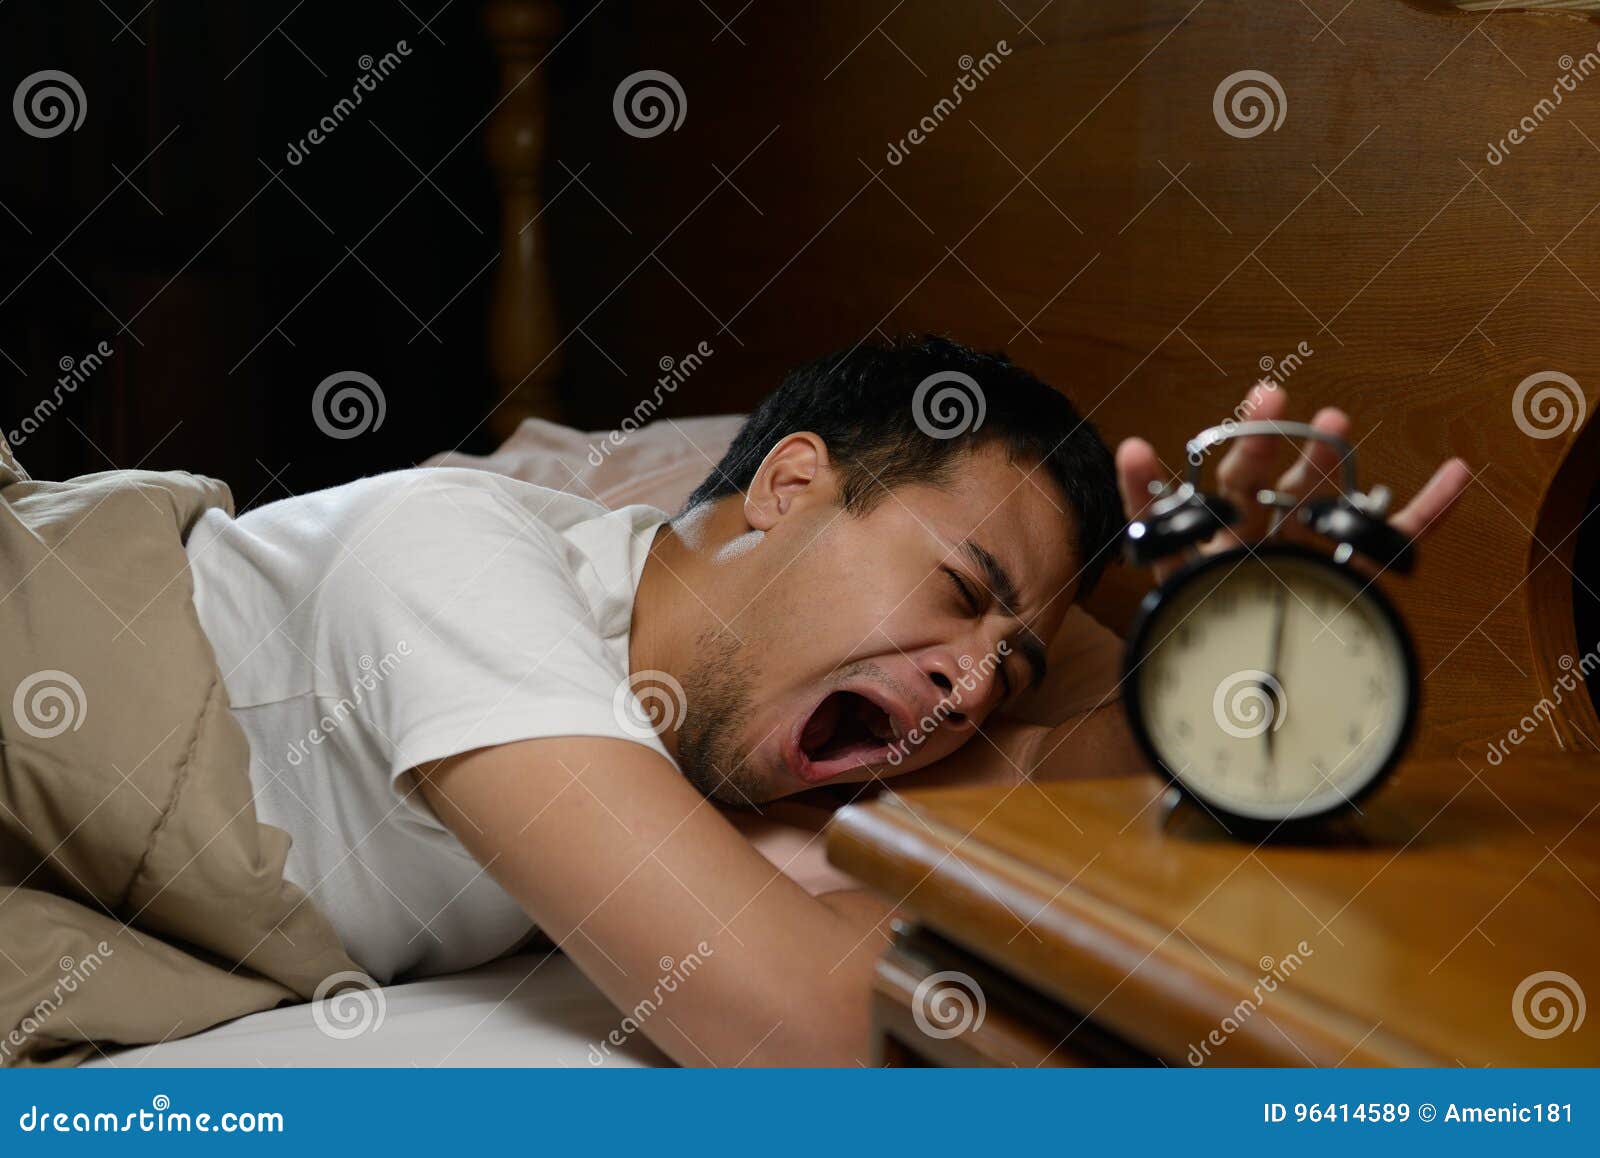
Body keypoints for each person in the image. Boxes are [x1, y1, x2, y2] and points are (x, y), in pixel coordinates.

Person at [184, 334, 1469, 1065]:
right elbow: (803, 1026)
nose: (966, 687)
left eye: (1006, 668)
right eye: (961, 586)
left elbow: (1057, 771)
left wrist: (1239, 648)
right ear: (791, 487)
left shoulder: (724, 752)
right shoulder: (448, 553)